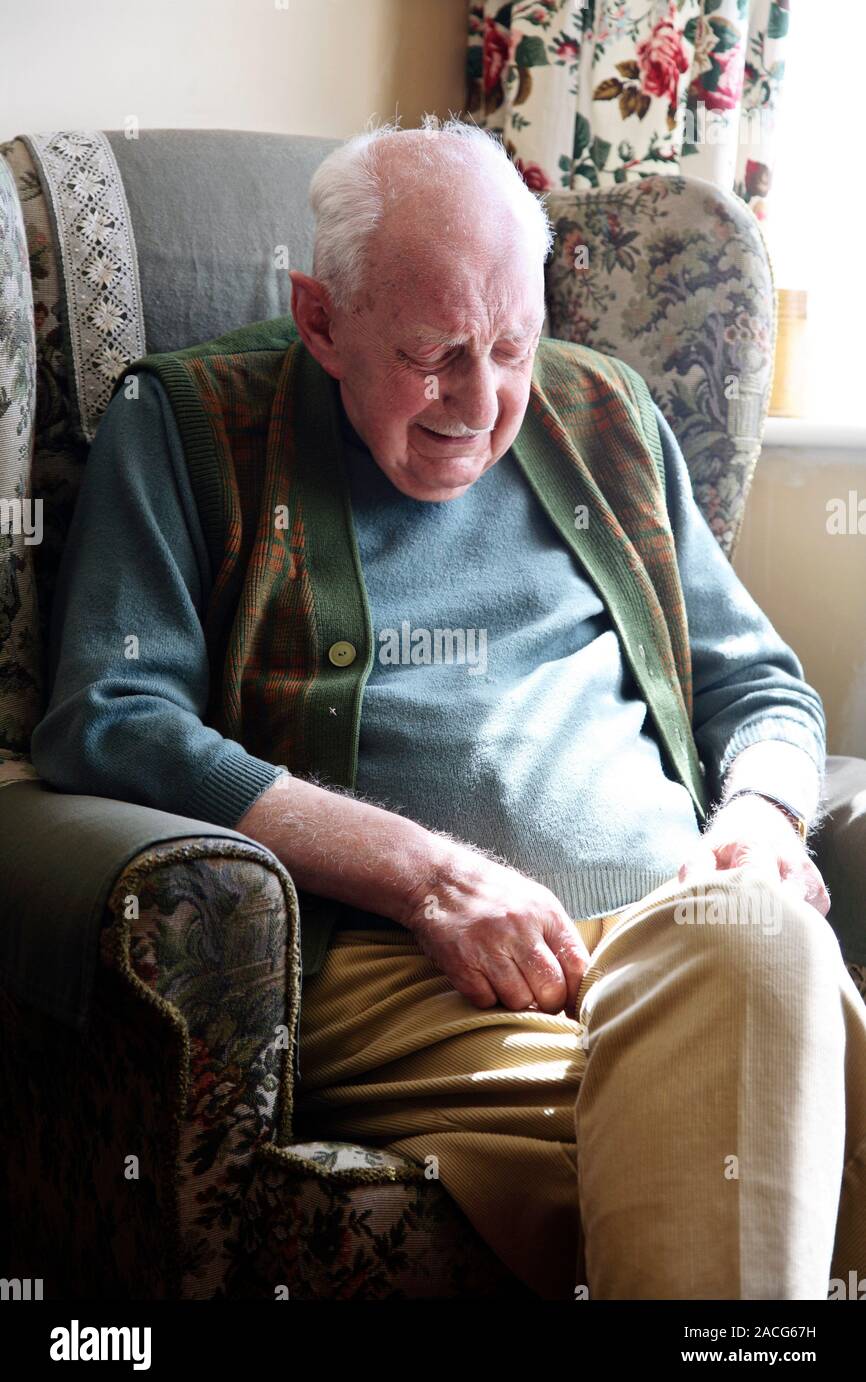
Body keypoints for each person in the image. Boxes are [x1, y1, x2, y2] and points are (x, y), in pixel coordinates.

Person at [31, 119, 866, 1300]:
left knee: (748, 957)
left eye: (512, 349)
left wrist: (763, 822)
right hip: (390, 968)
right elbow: (108, 713)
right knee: (769, 1070)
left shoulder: (607, 416)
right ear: (319, 317)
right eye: (436, 352)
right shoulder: (185, 426)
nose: (480, 401)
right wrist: (425, 874)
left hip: (672, 936)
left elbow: (760, 685)